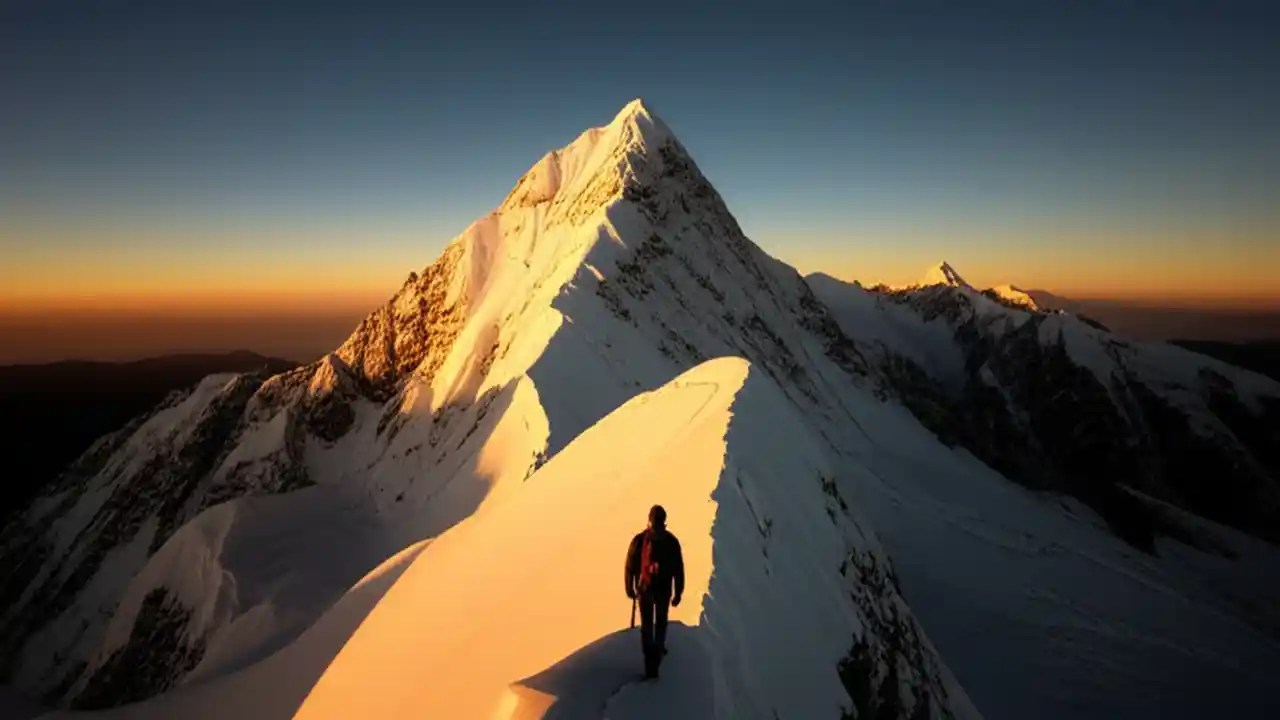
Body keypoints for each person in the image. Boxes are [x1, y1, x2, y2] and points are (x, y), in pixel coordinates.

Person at [624, 504, 684, 679]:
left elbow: (630, 565)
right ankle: (657, 652)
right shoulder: (671, 542)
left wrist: (630, 587)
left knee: (647, 625)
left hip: (645, 589)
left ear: (649, 520)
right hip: (663, 590)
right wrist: (678, 592)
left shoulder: (641, 540)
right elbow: (678, 569)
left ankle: (648, 658)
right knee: (661, 622)